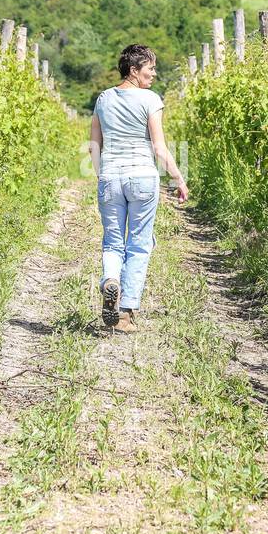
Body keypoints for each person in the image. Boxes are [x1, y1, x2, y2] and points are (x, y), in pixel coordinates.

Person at [89, 44, 189, 333]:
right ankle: (125, 312)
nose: (154, 74)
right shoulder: (149, 99)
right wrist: (178, 180)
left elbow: (95, 145)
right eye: (150, 68)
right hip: (142, 178)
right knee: (139, 244)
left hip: (110, 177)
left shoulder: (103, 99)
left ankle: (111, 280)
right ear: (134, 70)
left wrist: (102, 175)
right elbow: (159, 147)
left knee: (112, 241)